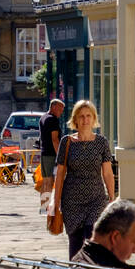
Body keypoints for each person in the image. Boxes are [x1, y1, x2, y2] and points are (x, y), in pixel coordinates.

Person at [51, 99, 115, 258]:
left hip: (96, 199)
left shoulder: (102, 142)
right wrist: (55, 201)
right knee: (75, 242)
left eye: (88, 116)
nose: (85, 120)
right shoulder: (66, 142)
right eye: (81, 116)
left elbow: (107, 173)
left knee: (91, 239)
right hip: (71, 201)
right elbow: (60, 174)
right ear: (75, 120)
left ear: (94, 119)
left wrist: (112, 197)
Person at [39, 98, 64, 193]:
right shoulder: (53, 119)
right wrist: (59, 156)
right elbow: (55, 139)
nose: (61, 113)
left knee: (45, 181)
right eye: (60, 109)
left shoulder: (43, 117)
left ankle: (43, 207)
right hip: (51, 154)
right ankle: (46, 207)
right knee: (50, 182)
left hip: (44, 153)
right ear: (53, 106)